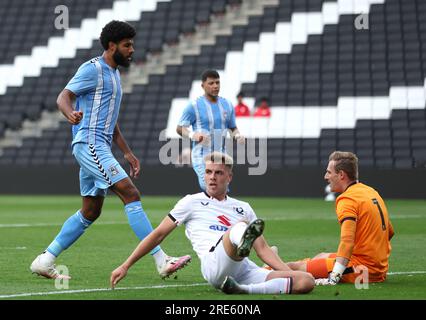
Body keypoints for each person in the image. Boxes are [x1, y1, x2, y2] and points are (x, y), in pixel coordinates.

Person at [30, 20, 191, 280]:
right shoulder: (92, 69)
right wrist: (70, 113)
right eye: (127, 45)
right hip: (89, 143)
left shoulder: (115, 75)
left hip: (100, 145)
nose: (132, 50)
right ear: (111, 45)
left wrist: (126, 152)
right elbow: (63, 96)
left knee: (91, 211)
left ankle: (44, 260)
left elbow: (110, 119)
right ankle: (161, 259)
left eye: (132, 45)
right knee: (130, 193)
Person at [110, 152, 315, 295]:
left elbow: (263, 249)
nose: (212, 177)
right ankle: (240, 241)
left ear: (229, 176)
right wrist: (126, 265)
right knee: (239, 227)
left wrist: (282, 271)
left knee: (306, 281)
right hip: (213, 265)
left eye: (218, 173)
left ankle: (243, 290)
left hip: (243, 270)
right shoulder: (191, 202)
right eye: (208, 172)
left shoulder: (243, 207)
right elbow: (158, 235)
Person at [287, 151, 394, 285]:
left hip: (361, 270)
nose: (326, 176)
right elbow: (389, 231)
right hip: (375, 267)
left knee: (292, 268)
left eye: (329, 172)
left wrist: (335, 276)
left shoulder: (347, 199)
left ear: (341, 175)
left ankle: (262, 273)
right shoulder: (371, 192)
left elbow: (347, 241)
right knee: (320, 256)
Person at [176, 69, 245, 191]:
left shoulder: (228, 105)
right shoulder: (193, 106)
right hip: (202, 156)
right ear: (203, 86)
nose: (215, 86)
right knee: (210, 187)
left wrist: (238, 136)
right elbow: (180, 128)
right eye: (211, 83)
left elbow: (233, 128)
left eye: (217, 83)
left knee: (221, 191)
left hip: (221, 156)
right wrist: (193, 135)